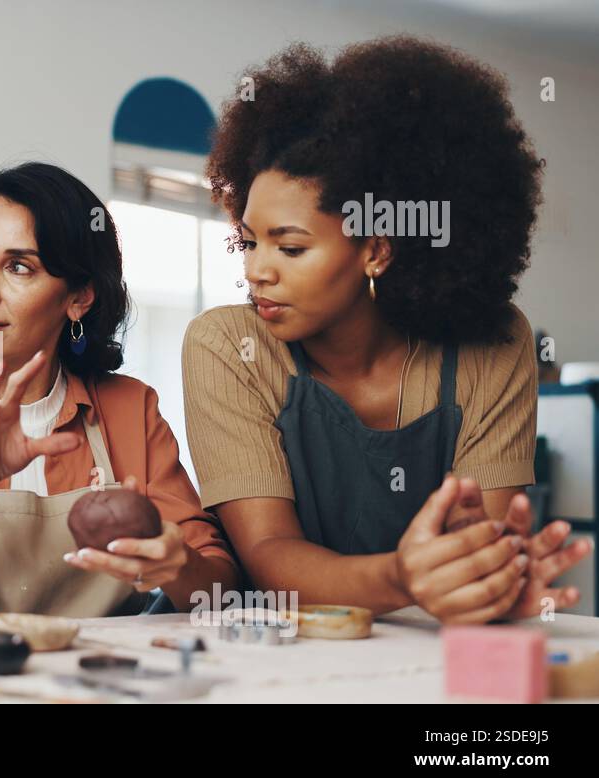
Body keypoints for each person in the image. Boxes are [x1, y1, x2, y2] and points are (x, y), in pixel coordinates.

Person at [183, 37, 589, 623]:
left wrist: (494, 580)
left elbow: (474, 557)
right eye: (249, 240)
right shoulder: (227, 348)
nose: (256, 269)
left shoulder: (496, 346)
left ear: (376, 249)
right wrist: (406, 576)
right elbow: (271, 559)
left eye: (290, 247)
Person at [0, 163, 238, 629]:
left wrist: (175, 565)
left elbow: (221, 596)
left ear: (78, 298)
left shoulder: (130, 410)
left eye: (18, 267)